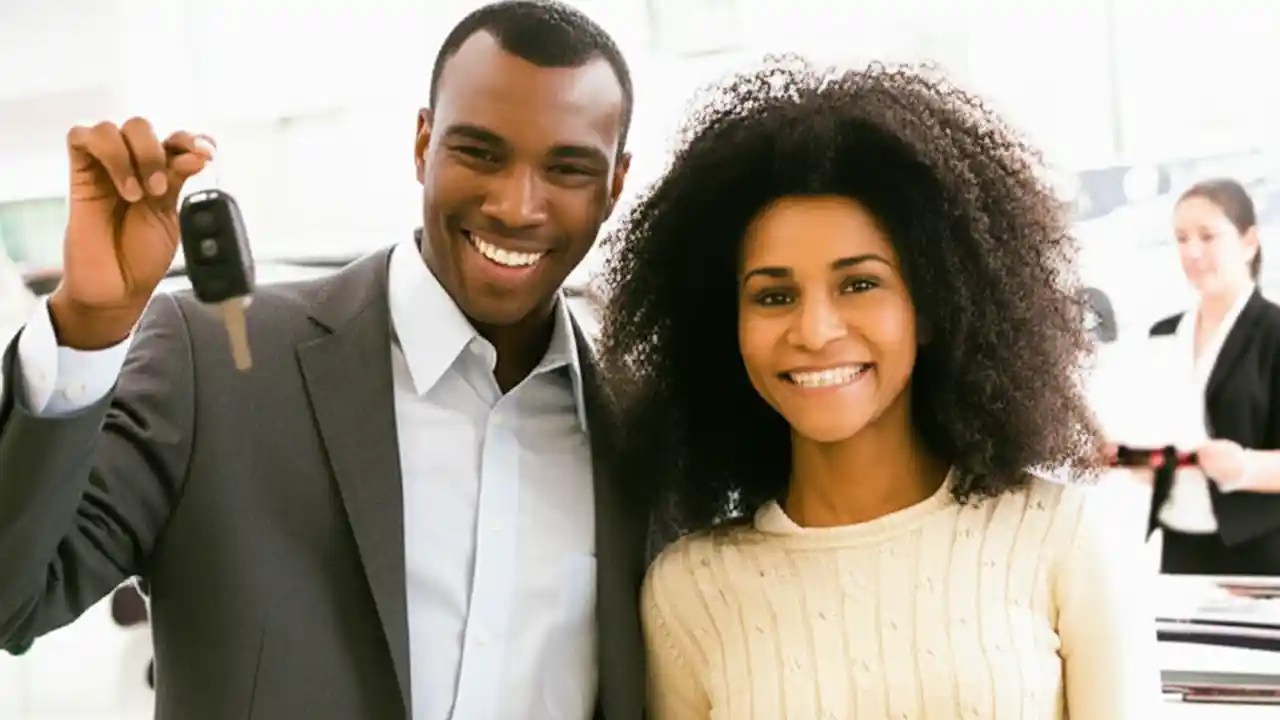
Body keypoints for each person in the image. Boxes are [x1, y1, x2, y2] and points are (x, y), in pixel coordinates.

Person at [0, 2, 649, 718]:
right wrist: (87, 323)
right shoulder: (214, 365)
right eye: (480, 153)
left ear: (615, 184)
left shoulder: (644, 437)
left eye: (567, 168)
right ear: (422, 143)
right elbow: (11, 598)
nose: (517, 206)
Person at [600, 59, 1162, 718]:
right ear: (727, 329)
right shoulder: (690, 592)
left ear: (932, 307)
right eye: (774, 295)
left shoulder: (1060, 536)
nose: (814, 329)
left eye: (859, 284)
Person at [1145, 178, 1280, 575]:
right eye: (1181, 238)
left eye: (1207, 236)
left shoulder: (1274, 333)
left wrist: (1244, 468)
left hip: (1259, 550)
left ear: (1249, 241)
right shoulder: (1163, 334)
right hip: (1179, 543)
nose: (1192, 252)